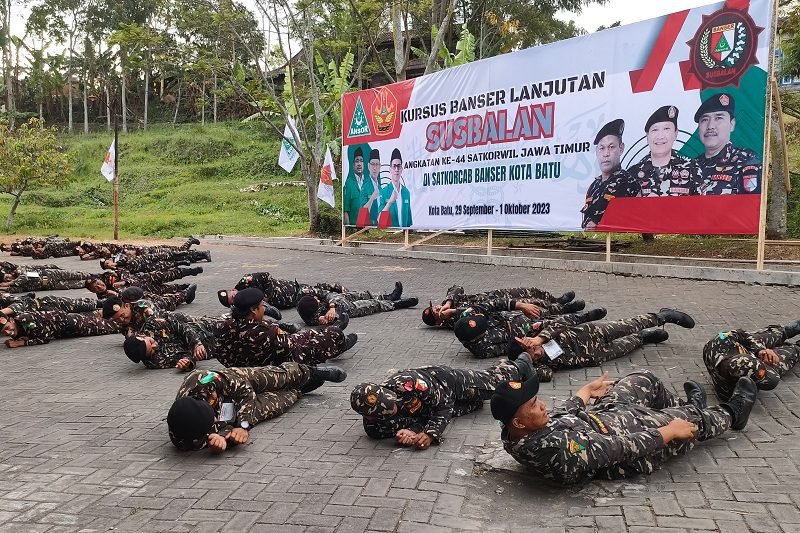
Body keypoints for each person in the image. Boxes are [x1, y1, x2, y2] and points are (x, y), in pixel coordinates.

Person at [490, 370, 757, 484]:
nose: (542, 405)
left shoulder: (520, 428)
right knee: (686, 424)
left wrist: (586, 391)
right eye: (534, 405)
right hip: (629, 441)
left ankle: (688, 406)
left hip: (605, 418)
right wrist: (669, 432)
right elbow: (617, 448)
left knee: (642, 380)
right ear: (519, 422)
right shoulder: (554, 451)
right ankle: (732, 413)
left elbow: (562, 413)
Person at [350, 354, 538, 449]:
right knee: (476, 404)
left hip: (444, 382)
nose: (395, 406)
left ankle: (519, 364)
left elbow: (443, 405)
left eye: (392, 402)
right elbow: (415, 420)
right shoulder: (375, 429)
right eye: (388, 411)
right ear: (369, 416)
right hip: (430, 409)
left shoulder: (407, 384)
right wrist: (411, 432)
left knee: (491, 386)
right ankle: (512, 365)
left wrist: (431, 433)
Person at [167, 363, 347, 452]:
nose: (215, 421)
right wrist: (225, 441)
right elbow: (214, 436)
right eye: (212, 421)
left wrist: (244, 426)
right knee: (273, 405)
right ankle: (299, 390)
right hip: (228, 408)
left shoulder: (203, 380)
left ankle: (309, 371)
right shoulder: (184, 440)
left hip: (237, 381)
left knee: (276, 377)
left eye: (212, 418)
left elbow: (245, 392)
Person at [458, 309, 696, 368]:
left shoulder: (537, 332)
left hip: (592, 334)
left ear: (524, 341)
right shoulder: (537, 365)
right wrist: (526, 364)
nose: (536, 351)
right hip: (595, 355)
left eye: (531, 348)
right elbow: (545, 374)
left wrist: (541, 339)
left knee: (629, 325)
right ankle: (646, 337)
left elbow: (560, 322)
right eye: (532, 354)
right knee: (631, 344)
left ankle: (662, 316)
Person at [213, 288, 358, 367]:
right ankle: (339, 340)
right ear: (253, 310)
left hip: (250, 367)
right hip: (284, 364)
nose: (263, 310)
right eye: (262, 306)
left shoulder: (224, 327)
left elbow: (221, 354)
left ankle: (330, 333)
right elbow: (290, 347)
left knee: (307, 334)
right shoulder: (267, 331)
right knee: (329, 335)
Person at [452, 307, 607, 362]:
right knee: (556, 325)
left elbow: (491, 305)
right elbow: (509, 347)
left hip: (516, 316)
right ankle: (584, 319)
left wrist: (518, 305)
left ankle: (581, 314)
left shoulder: (467, 320)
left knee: (551, 315)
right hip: (526, 333)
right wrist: (528, 345)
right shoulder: (484, 350)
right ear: (476, 338)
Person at [703, 320, 800, 400]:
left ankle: (789, 330)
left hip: (747, 349)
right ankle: (797, 348)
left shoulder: (715, 344)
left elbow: (737, 333)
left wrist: (760, 350)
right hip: (758, 367)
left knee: (761, 337)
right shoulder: (727, 392)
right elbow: (773, 380)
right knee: (779, 361)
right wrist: (766, 361)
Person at [422, 285, 582, 329]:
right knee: (532, 305)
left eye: (435, 306)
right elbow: (476, 313)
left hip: (496, 295)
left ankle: (557, 300)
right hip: (499, 308)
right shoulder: (453, 320)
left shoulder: (448, 302)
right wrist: (453, 312)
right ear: (438, 322)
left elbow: (457, 287)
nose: (438, 308)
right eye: (436, 312)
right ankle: (562, 308)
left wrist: (449, 301)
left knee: (531, 291)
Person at [694, 93, 762, 195]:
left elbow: (750, 206)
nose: (710, 126)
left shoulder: (746, 160)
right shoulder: (691, 166)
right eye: (704, 120)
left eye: (718, 118)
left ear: (731, 124)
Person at [628, 105, 702, 197]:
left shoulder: (692, 168)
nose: (660, 136)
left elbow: (701, 209)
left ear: (676, 134)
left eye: (666, 129)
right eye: (655, 130)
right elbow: (624, 210)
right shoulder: (632, 173)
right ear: (647, 136)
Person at [581, 119, 641, 230]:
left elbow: (636, 224)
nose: (606, 154)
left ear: (621, 148)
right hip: (591, 245)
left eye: (611, 147)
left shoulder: (628, 183)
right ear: (597, 151)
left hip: (618, 245)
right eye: (602, 148)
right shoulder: (594, 186)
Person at [123, 312, 218, 371]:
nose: (155, 346)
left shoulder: (152, 325)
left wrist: (196, 343)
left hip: (203, 328)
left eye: (151, 342)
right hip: (212, 347)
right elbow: (183, 356)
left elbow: (180, 326)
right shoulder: (154, 361)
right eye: (151, 351)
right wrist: (187, 363)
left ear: (142, 335)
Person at [295, 282, 417, 326]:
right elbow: (323, 321)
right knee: (369, 305)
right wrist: (327, 319)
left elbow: (328, 294)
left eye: (316, 299)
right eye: (317, 302)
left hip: (335, 300)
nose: (317, 299)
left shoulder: (306, 293)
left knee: (361, 294)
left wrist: (331, 307)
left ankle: (390, 296)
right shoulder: (311, 318)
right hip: (342, 309)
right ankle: (396, 304)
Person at [0, 308, 120, 347]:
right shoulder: (19, 325)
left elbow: (43, 338)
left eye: (7, 327)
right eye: (3, 332)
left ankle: (129, 324)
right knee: (105, 324)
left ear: (11, 320)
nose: (7, 331)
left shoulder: (25, 320)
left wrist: (20, 343)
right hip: (66, 328)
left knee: (110, 327)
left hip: (73, 324)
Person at [228, 272, 347, 309]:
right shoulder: (243, 301)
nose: (235, 299)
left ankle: (335, 288)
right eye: (232, 302)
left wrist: (266, 296)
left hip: (289, 290)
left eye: (233, 296)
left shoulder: (246, 280)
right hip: (289, 302)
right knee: (313, 297)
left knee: (314, 291)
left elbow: (267, 276)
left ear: (233, 289)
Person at [379, 148, 412, 228]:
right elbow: (380, 220)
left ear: (401, 169)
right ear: (390, 170)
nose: (396, 169)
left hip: (404, 236)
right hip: (390, 236)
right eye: (394, 166)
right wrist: (390, 202)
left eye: (399, 166)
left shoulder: (406, 192)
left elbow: (409, 222)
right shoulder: (384, 192)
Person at [359, 149, 382, 226]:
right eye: (373, 164)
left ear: (380, 167)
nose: (375, 168)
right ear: (368, 166)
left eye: (377, 164)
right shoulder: (365, 186)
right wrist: (372, 197)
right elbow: (363, 214)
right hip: (369, 227)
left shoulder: (380, 188)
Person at [343, 146, 366, 226]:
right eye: (357, 161)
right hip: (353, 227)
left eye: (361, 161)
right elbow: (346, 209)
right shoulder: (349, 183)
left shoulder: (368, 182)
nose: (359, 164)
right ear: (353, 165)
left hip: (367, 228)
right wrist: (348, 227)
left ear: (364, 164)